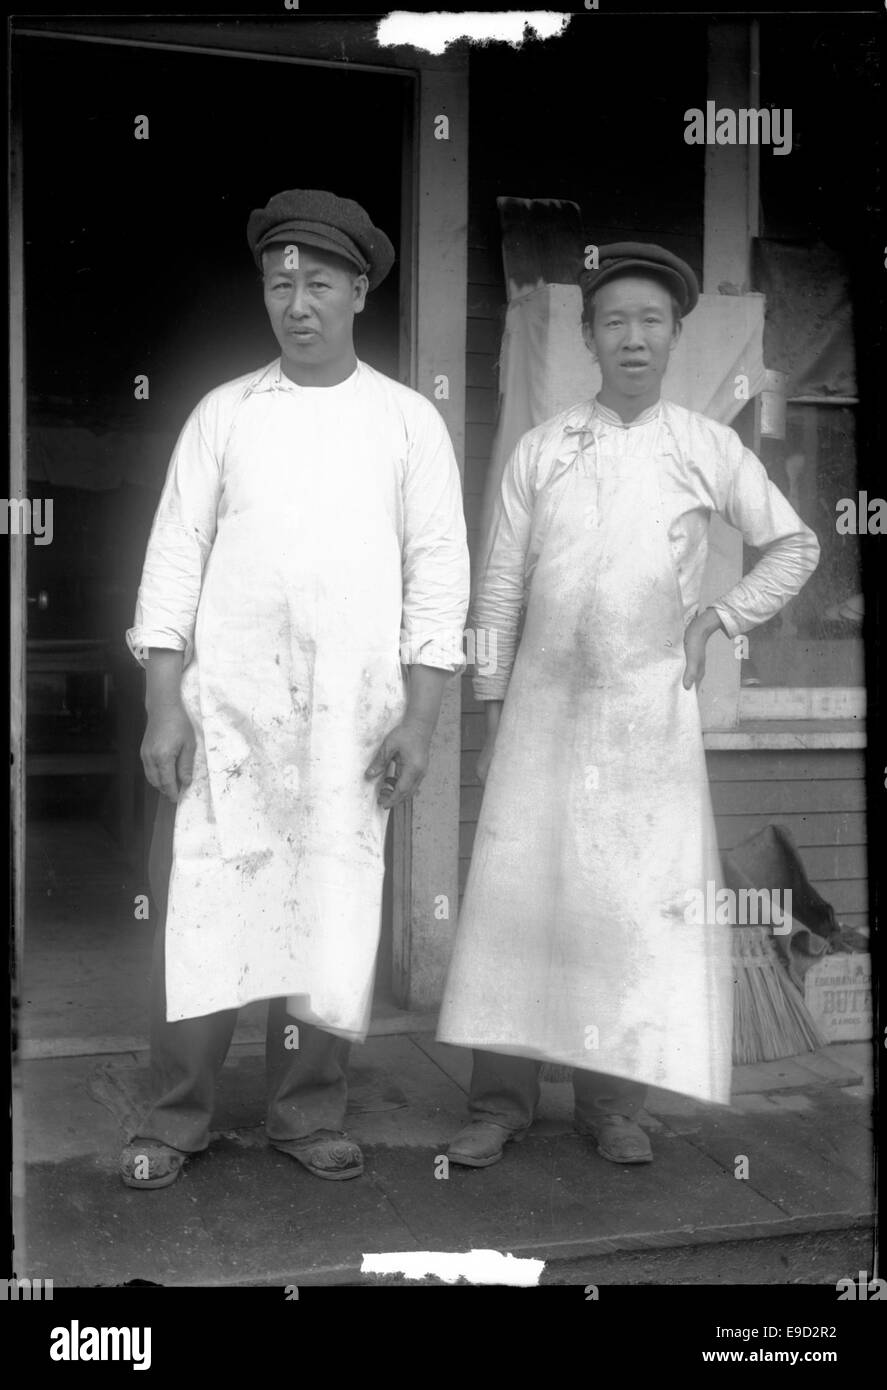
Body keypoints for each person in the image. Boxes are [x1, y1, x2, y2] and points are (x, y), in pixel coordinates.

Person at [437, 243, 820, 1167]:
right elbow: (496, 594)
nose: (633, 338)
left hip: (647, 721)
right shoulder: (542, 449)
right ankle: (499, 1103)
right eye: (614, 321)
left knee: (626, 909)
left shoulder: (703, 445)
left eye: (651, 321)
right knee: (521, 905)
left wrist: (718, 618)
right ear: (587, 337)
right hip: (541, 717)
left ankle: (611, 1104)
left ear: (675, 335)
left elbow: (795, 547)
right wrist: (492, 711)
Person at [121, 189, 469, 1187]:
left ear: (358, 290)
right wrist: (160, 700)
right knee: (201, 909)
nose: (295, 301)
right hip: (222, 718)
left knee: (326, 910)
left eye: (317, 281)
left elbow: (438, 577)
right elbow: (173, 564)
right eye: (278, 282)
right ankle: (175, 1114)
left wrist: (420, 713)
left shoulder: (406, 424)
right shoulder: (222, 416)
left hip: (346, 722)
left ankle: (305, 1112)